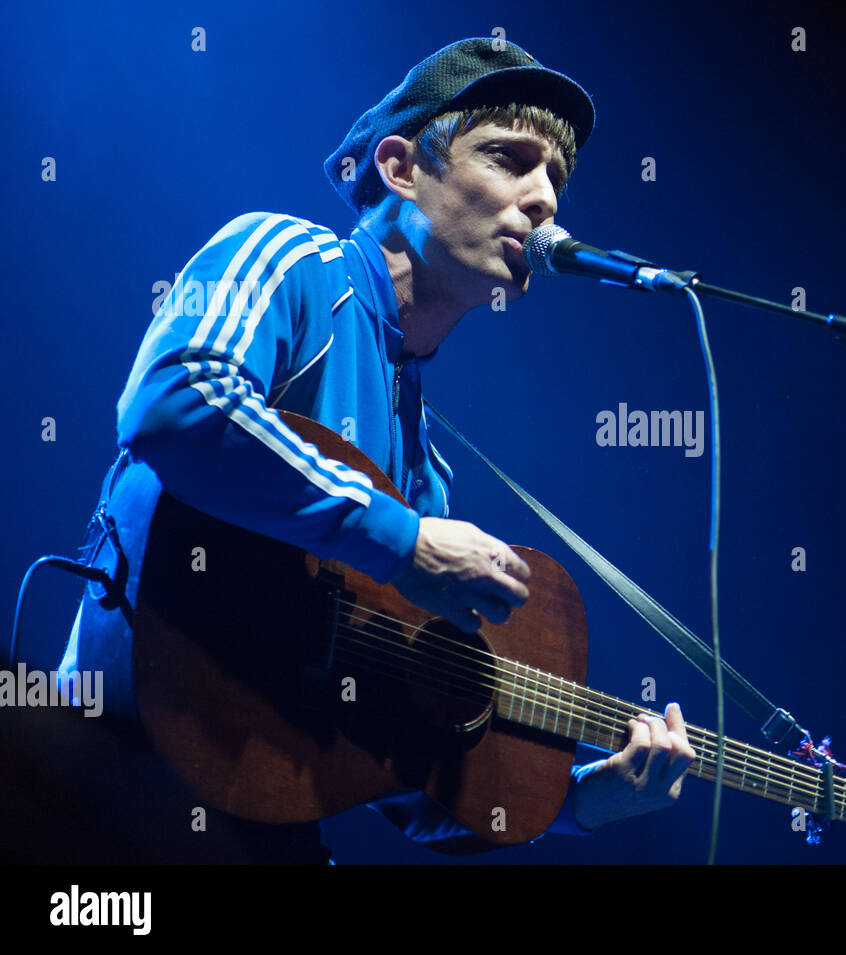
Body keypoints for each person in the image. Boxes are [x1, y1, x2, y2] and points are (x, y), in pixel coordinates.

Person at [56, 37, 695, 863]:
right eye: (510, 159)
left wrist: (584, 801)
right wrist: (402, 541)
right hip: (109, 795)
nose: (545, 202)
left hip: (263, 827)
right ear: (400, 169)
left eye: (557, 182)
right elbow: (176, 399)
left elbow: (392, 766)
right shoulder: (288, 258)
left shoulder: (425, 469)